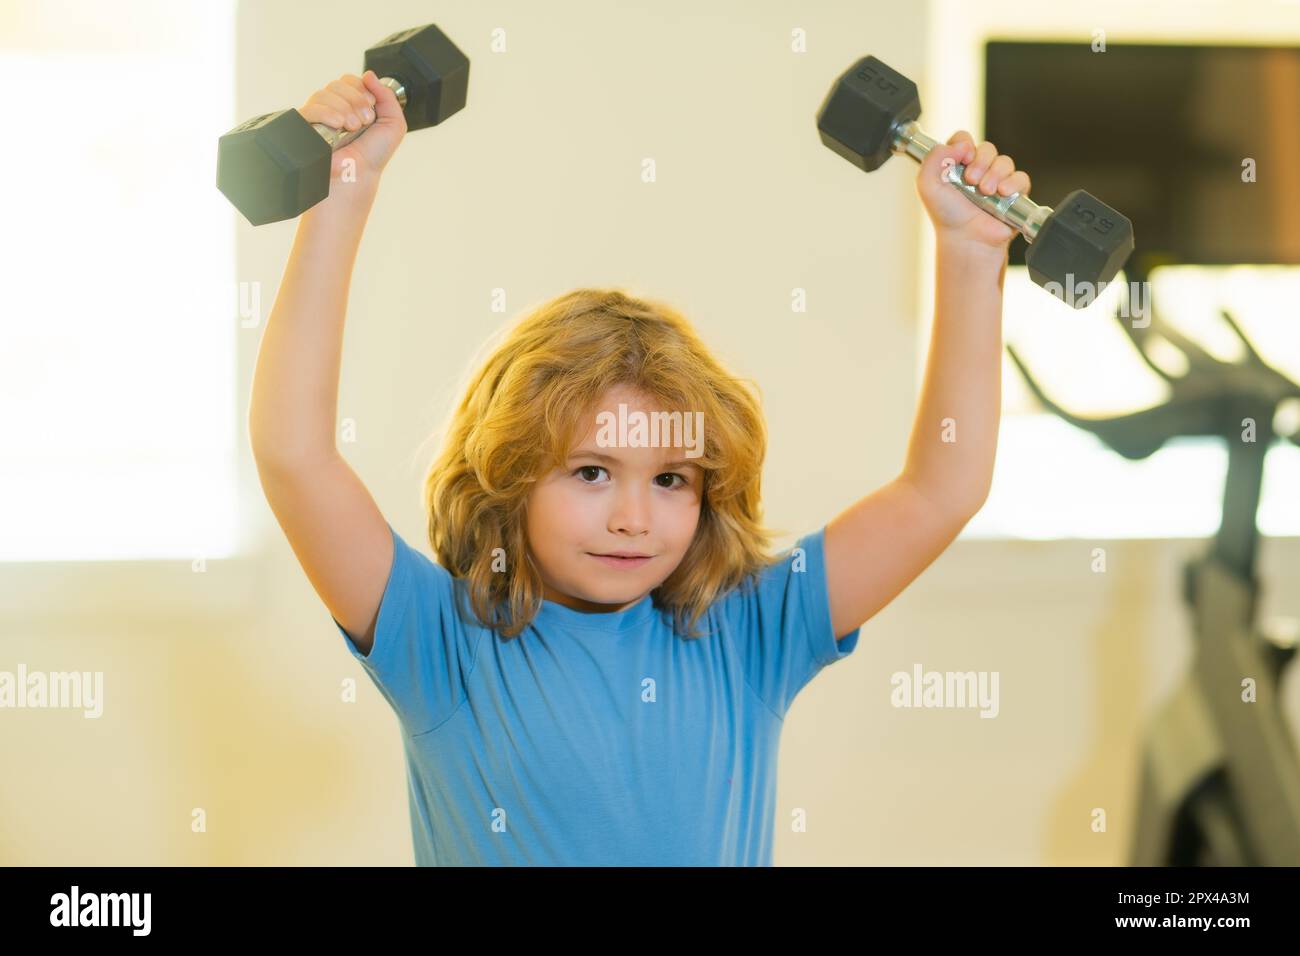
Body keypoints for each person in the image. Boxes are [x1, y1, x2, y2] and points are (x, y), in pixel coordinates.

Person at [248, 70, 1027, 865]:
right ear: (508, 477)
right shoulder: (441, 640)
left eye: (670, 480)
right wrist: (341, 191)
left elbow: (942, 489)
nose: (634, 517)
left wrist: (969, 255)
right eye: (590, 472)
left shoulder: (750, 630)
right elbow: (294, 454)